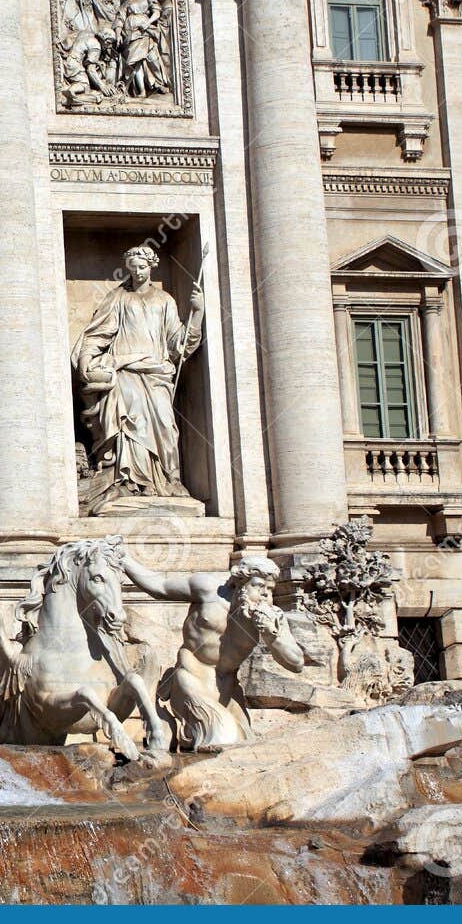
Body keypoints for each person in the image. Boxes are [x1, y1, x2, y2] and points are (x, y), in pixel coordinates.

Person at [123, 554, 306, 750]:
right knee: (224, 735)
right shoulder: (209, 591)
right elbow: (160, 587)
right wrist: (123, 559)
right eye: (258, 586)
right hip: (191, 676)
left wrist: (272, 637)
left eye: (270, 589)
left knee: (243, 745)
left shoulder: (271, 617)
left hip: (227, 688)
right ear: (239, 583)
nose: (264, 595)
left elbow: (296, 663)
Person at [72, 243, 203, 513]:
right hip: (125, 371)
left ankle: (164, 480)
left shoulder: (164, 300)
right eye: (132, 269)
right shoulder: (118, 297)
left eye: (142, 268)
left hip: (156, 373)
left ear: (151, 267)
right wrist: (86, 357)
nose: (137, 273)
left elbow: (178, 343)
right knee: (129, 427)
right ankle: (127, 481)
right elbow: (99, 333)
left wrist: (198, 313)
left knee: (165, 426)